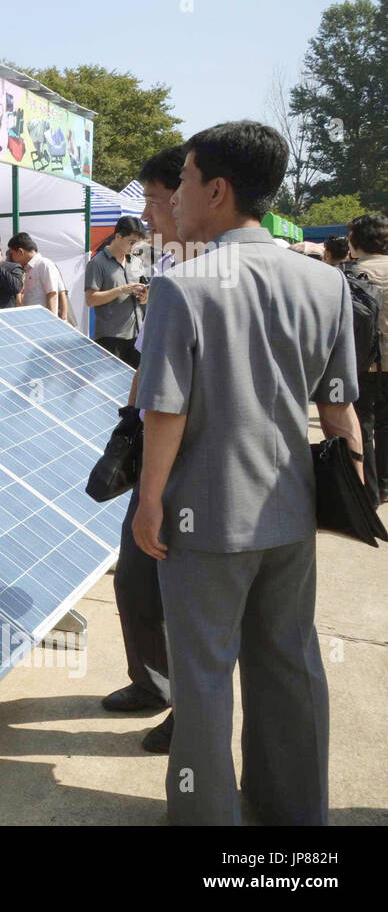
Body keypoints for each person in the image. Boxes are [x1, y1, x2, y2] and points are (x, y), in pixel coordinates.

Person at [133, 121, 363, 826]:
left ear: (219, 189)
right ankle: (296, 812)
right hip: (290, 512)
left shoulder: (184, 287)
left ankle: (210, 819)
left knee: (204, 677)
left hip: (204, 518)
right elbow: (339, 409)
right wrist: (354, 490)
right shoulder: (324, 281)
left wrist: (148, 502)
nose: (176, 198)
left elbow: (165, 411)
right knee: (290, 666)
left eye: (187, 181)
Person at [102, 143, 188, 756]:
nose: (149, 216)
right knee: (135, 582)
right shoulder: (168, 272)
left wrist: (152, 494)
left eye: (157, 201)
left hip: (193, 469)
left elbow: (172, 399)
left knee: (190, 599)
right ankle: (152, 682)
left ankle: (192, 714)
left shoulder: (202, 280)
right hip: (158, 456)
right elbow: (151, 377)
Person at [347, 213, 388, 504]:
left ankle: (369, 492)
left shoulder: (350, 274)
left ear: (356, 239)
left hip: (363, 363)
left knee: (364, 426)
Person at [84, 215, 150, 367]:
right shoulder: (97, 263)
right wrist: (121, 290)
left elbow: (143, 298)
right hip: (111, 338)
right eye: (131, 242)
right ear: (118, 236)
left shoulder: (136, 261)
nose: (134, 247)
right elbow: (91, 299)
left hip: (137, 336)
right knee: (113, 386)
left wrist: (144, 296)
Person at [6, 232, 66, 318]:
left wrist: (51, 321)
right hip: (31, 320)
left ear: (20, 251)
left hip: (43, 322)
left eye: (12, 254)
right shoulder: (26, 268)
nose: (12, 257)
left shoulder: (44, 264)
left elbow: (51, 293)